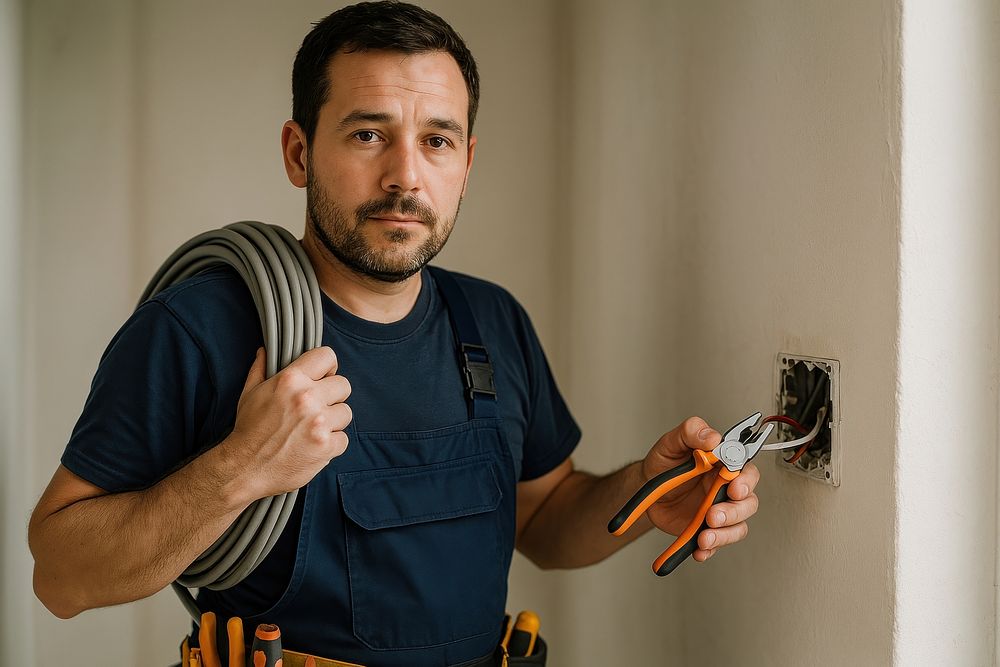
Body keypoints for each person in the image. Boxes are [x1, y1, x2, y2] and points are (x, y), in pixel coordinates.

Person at [27, 2, 761, 666]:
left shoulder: (492, 321)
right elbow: (60, 575)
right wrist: (241, 467)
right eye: (368, 132)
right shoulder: (199, 329)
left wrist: (644, 493)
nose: (405, 175)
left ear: (466, 163)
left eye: (437, 140)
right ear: (298, 151)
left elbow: (539, 515)